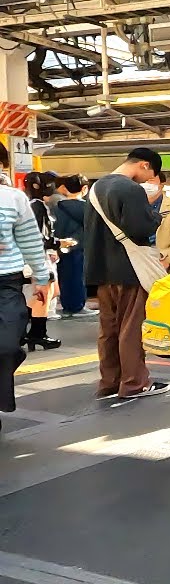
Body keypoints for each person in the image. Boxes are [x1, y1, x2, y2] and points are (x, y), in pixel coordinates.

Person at [85, 149, 167, 399]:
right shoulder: (131, 190)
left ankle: (109, 382)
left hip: (102, 269)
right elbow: (140, 229)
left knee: (108, 329)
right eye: (151, 174)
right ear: (144, 165)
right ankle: (134, 383)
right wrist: (155, 215)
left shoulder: (97, 187)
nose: (149, 180)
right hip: (129, 269)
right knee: (131, 327)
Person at [0, 144, 50, 426]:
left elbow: (30, 240)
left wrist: (41, 278)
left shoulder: (14, 198)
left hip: (6, 282)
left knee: (8, 346)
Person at [23, 172, 60, 350]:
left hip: (31, 255)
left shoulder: (30, 204)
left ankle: (28, 333)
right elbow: (39, 236)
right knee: (44, 292)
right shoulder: (37, 206)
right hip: (36, 256)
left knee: (47, 292)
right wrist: (57, 244)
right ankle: (36, 334)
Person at [53, 175, 94, 318]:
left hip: (61, 246)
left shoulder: (57, 207)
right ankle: (77, 307)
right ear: (84, 188)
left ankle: (68, 306)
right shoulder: (87, 208)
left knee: (64, 277)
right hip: (80, 247)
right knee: (78, 277)